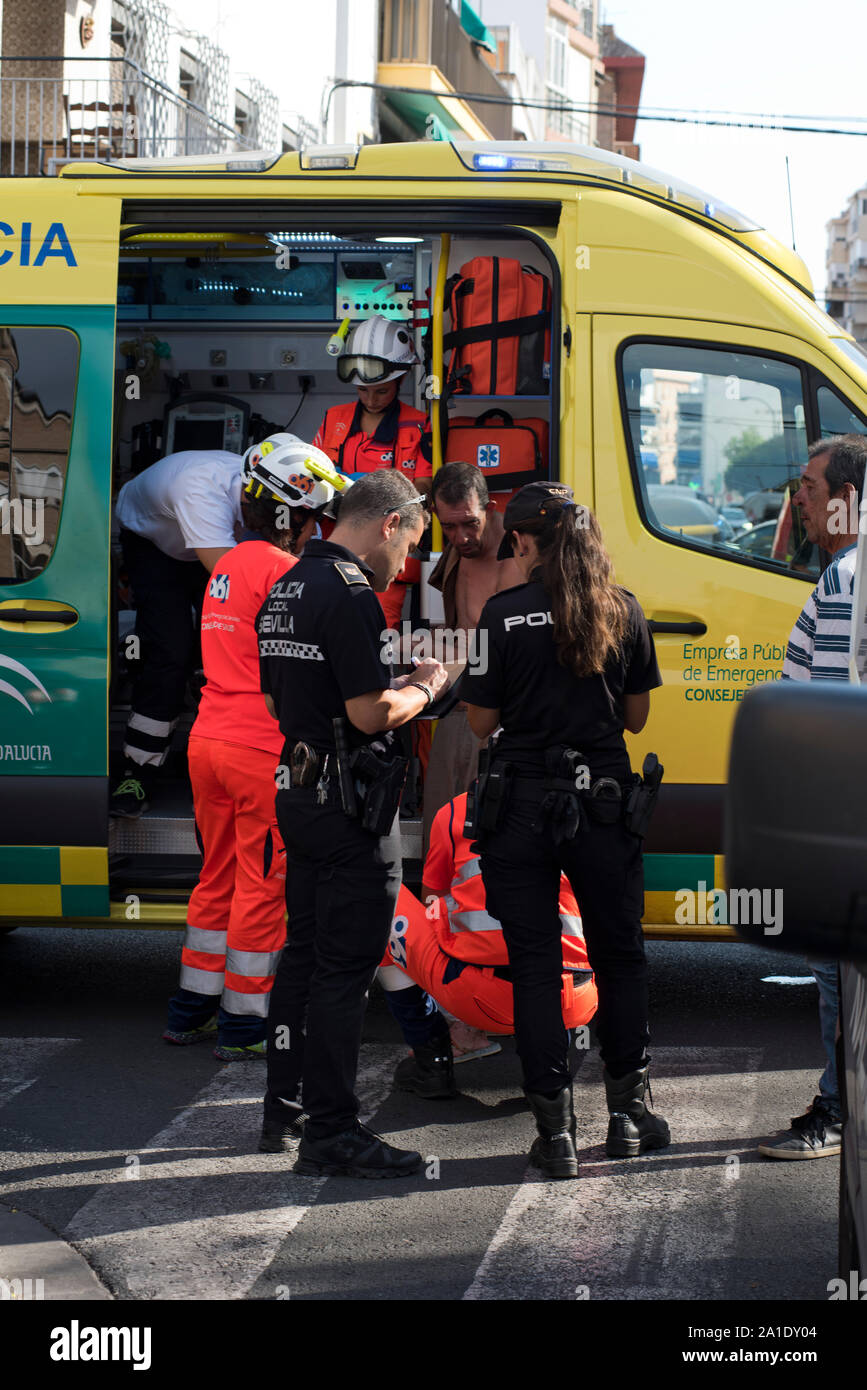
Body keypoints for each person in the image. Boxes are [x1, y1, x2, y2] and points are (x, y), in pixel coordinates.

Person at [462, 481, 670, 1180]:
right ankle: (627, 1117)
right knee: (619, 957)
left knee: (533, 964)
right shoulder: (623, 610)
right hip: (604, 803)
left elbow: (480, 723)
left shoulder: (500, 614)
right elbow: (635, 718)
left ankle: (554, 1135)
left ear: (521, 541)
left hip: (519, 805)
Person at [257, 469, 449, 1178]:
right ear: (389, 523)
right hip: (346, 806)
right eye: (408, 547)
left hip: (298, 793)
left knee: (302, 960)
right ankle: (332, 1132)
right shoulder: (350, 595)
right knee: (344, 971)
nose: (406, 565)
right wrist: (427, 684)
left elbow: (285, 700)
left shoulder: (284, 587)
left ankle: (286, 1111)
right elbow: (370, 714)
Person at [163, 438, 346, 1060]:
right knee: (263, 884)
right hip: (257, 750)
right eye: (319, 513)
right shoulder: (281, 571)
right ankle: (244, 1024)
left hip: (207, 739)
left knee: (215, 875)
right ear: (299, 512)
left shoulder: (226, 565)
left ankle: (190, 1010)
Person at [759, 433, 866, 1160]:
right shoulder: (838, 573)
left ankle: (838, 1109)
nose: (798, 497)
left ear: (845, 498)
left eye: (808, 485)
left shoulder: (847, 579)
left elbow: (829, 710)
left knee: (838, 976)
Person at [112, 433, 297, 816]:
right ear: (251, 494)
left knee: (221, 641)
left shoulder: (255, 485)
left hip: (205, 543)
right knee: (170, 652)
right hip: (153, 543)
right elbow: (235, 581)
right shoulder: (202, 492)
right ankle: (137, 769)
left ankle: (216, 757)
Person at [377, 790, 598, 1100]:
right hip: (575, 998)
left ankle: (432, 1059)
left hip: (482, 999)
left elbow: (432, 904)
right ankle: (550, 1066)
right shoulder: (578, 804)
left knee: (381, 903)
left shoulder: (455, 810)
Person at [313, 314, 429, 630]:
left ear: (400, 381)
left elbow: (421, 492)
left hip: (385, 557)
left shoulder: (418, 426)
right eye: (363, 391)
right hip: (333, 551)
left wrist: (358, 490)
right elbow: (314, 480)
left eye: (381, 391)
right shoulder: (333, 419)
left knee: (376, 634)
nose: (371, 399)